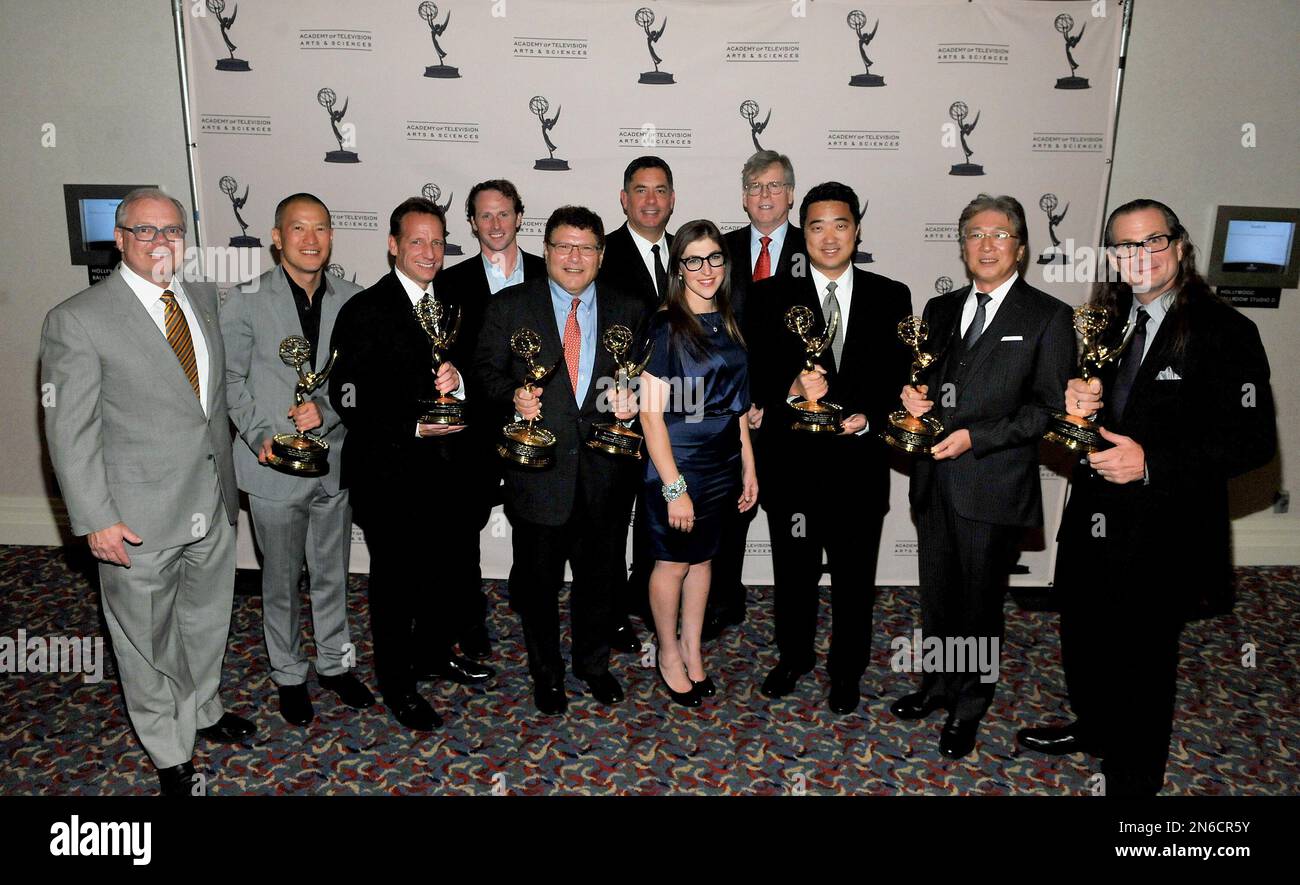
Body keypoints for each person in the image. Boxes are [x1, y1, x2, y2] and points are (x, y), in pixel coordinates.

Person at [1017, 199, 1276, 795]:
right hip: (1093, 516)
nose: (1139, 257)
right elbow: (1094, 418)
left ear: (1180, 247)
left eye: (1152, 242)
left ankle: (1134, 779)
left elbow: (1252, 442)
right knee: (1083, 635)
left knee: (1142, 658)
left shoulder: (1227, 331)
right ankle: (1095, 728)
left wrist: (1152, 463)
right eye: (1125, 246)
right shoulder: (1105, 323)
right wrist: (1074, 410)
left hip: (1165, 527)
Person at [39, 188, 252, 795]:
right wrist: (94, 519)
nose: (161, 242)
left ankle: (204, 709)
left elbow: (209, 407)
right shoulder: (77, 319)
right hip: (134, 518)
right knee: (146, 641)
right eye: (146, 231)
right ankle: (168, 750)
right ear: (120, 237)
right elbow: (69, 432)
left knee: (207, 620)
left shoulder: (204, 300)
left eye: (172, 231)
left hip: (211, 502)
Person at [894, 194, 1073, 757]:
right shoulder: (941, 308)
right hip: (934, 481)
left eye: (999, 235)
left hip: (992, 484)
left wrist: (977, 437)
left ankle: (969, 704)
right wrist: (914, 402)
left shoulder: (1047, 316)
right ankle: (939, 684)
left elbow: (1046, 410)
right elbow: (930, 380)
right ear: (963, 245)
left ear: (1020, 247)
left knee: (978, 602)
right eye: (975, 234)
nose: (987, 244)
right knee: (939, 595)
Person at [474, 206, 650, 715]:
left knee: (599, 581)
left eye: (586, 247)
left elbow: (644, 378)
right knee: (538, 585)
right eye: (563, 246)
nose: (574, 257)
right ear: (546, 250)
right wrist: (514, 398)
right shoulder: (510, 306)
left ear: (601, 254)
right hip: (538, 475)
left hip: (605, 475)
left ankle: (593, 666)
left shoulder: (630, 308)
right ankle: (545, 673)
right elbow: (485, 373)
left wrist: (631, 400)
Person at [745, 182, 913, 715]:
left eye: (840, 224)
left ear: (857, 228)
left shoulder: (892, 295)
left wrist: (870, 417)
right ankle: (793, 657)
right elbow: (751, 379)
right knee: (793, 573)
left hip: (859, 469)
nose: (829, 236)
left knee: (854, 579)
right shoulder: (769, 295)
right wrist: (791, 390)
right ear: (803, 231)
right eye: (816, 226)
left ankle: (847, 670)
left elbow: (899, 381)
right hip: (792, 467)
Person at [328, 197, 494, 733]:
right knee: (396, 586)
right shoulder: (364, 310)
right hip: (390, 476)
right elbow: (347, 395)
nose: (429, 251)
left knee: (444, 577)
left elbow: (475, 371)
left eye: (437, 241)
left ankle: (433, 656)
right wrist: (413, 426)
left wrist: (459, 383)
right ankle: (398, 684)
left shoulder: (454, 303)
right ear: (394, 245)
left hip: (450, 475)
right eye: (417, 241)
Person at [221, 192, 375, 727]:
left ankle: (335, 664)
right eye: (299, 229)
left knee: (332, 572)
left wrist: (328, 410)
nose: (311, 239)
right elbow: (231, 380)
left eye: (322, 229)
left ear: (332, 237)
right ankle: (288, 674)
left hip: (331, 461)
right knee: (281, 579)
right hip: (270, 466)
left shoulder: (354, 300)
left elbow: (357, 384)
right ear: (277, 238)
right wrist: (262, 434)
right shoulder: (243, 300)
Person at [639, 220, 758, 706]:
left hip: (723, 462)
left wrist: (748, 465)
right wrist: (674, 487)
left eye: (714, 258)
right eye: (693, 259)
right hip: (677, 462)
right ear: (679, 268)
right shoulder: (667, 325)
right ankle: (667, 651)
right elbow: (649, 416)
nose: (705, 269)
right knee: (671, 563)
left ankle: (693, 646)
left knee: (704, 560)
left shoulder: (728, 319)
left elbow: (739, 407)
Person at [436, 179, 547, 652]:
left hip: (538, 424)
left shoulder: (551, 273)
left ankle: (529, 600)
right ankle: (469, 618)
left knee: (537, 521)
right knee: (464, 529)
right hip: (476, 428)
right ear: (472, 223)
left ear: (520, 217)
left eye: (504, 213)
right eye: (485, 215)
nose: (496, 224)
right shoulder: (450, 283)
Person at [707, 149, 807, 641]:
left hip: (790, 415)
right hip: (732, 412)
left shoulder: (815, 251)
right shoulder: (718, 254)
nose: (764, 196)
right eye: (754, 188)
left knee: (791, 524)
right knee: (729, 519)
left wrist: (775, 395)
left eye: (773, 186)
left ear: (791, 194)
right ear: (743, 199)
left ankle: (792, 629)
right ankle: (725, 601)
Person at [597, 156, 679, 652]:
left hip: (677, 414)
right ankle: (612, 615)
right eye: (640, 190)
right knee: (610, 521)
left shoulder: (689, 252)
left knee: (661, 514)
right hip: (619, 413)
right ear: (624, 198)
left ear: (672, 199)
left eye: (661, 190)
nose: (651, 200)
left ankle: (652, 605)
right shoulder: (601, 252)